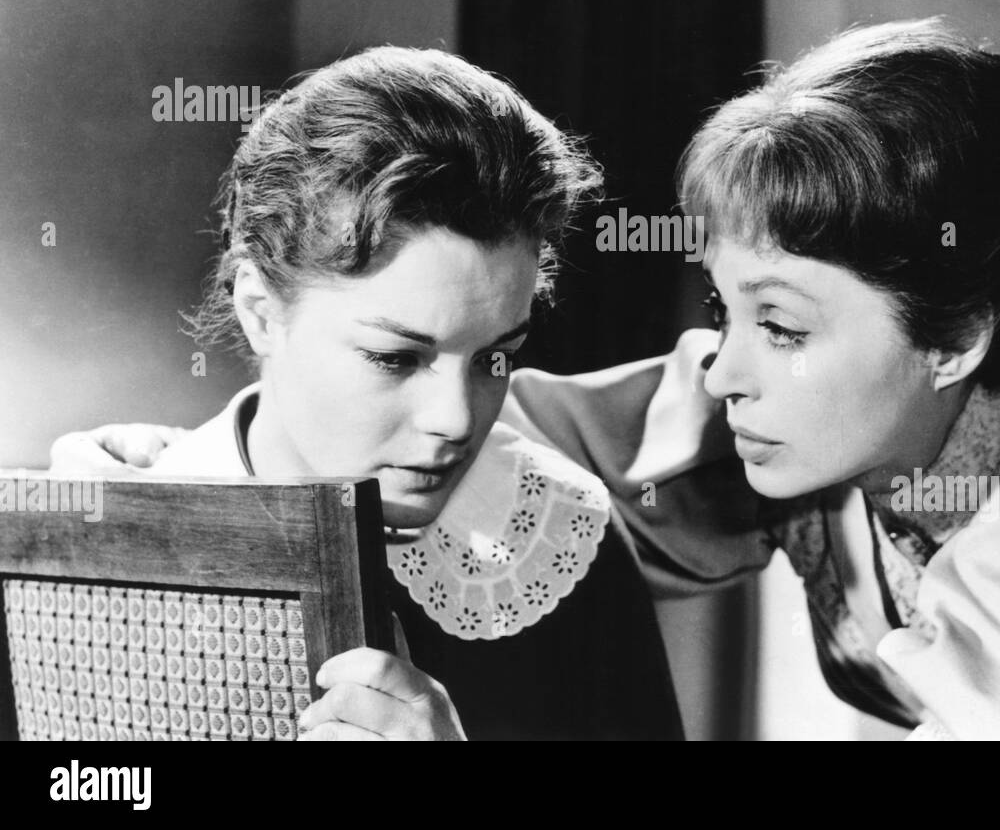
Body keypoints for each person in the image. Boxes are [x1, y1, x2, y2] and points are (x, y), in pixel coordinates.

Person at [58, 20, 1000, 739]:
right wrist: (151, 492)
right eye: (723, 308)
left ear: (954, 335)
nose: (721, 366)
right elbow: (498, 438)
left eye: (782, 323)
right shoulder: (803, 413)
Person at [52, 45, 684, 741]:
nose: (455, 419)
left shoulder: (561, 537)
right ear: (261, 310)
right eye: (396, 357)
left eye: (494, 358)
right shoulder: (80, 558)